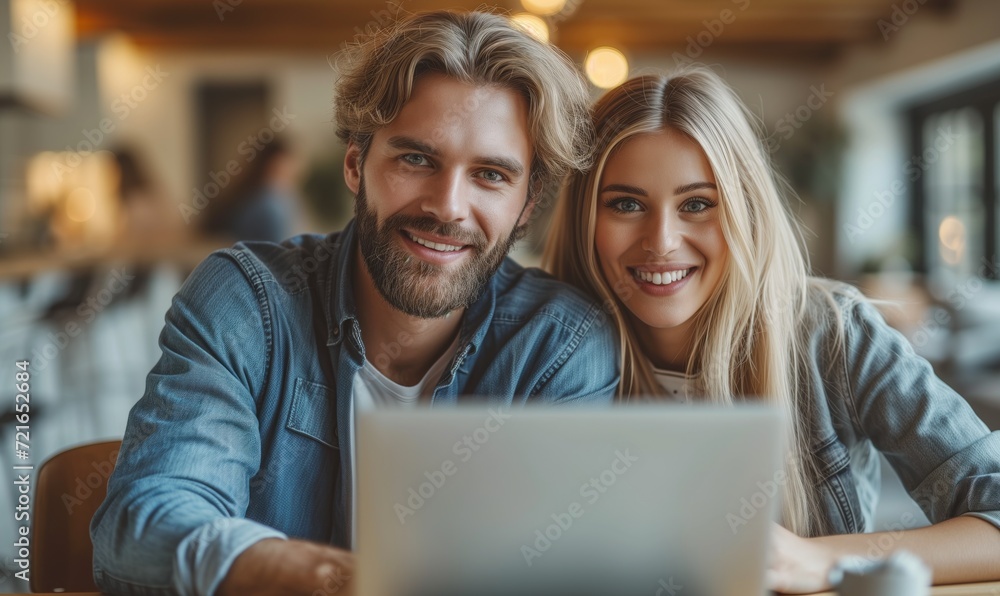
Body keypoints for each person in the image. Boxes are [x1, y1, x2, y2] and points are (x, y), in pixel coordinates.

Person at [91, 10, 617, 596]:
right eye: (417, 159)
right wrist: (324, 579)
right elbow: (139, 530)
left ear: (526, 204)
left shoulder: (560, 345)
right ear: (354, 164)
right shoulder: (248, 304)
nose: (448, 206)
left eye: (490, 175)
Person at [543, 67, 1000, 593]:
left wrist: (820, 561)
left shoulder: (832, 335)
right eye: (626, 204)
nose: (662, 241)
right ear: (585, 217)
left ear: (745, 209)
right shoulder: (544, 342)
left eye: (697, 204)